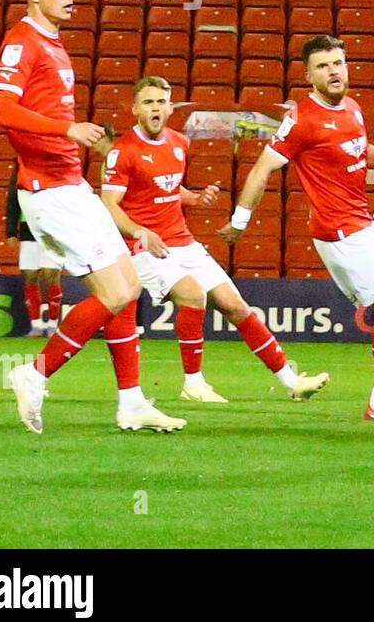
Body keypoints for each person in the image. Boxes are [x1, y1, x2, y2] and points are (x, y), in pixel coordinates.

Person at [0, 0, 185, 435]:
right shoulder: (23, 40)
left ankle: (132, 403)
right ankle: (34, 374)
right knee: (119, 291)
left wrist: (72, 138)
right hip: (50, 190)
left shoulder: (54, 44)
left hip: (70, 184)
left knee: (129, 287)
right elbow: (3, 110)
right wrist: (66, 127)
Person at [219, 35, 374, 422]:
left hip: (363, 224)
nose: (333, 71)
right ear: (308, 75)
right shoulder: (302, 119)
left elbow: (360, 152)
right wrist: (239, 222)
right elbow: (262, 168)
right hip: (339, 231)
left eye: (338, 63)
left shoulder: (352, 107)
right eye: (323, 66)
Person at [102, 76, 330, 404]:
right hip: (143, 245)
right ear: (136, 108)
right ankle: (193, 383)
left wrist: (193, 198)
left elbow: (163, 188)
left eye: (161, 101)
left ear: (170, 107)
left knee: (236, 306)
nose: (155, 108)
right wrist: (140, 232)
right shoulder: (122, 151)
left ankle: (292, 380)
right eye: (149, 102)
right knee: (193, 295)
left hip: (182, 241)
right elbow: (110, 204)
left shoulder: (179, 143)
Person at [5, 167, 64, 337]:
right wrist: (10, 231)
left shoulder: (53, 168)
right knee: (30, 276)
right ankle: (36, 325)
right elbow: (12, 200)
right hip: (27, 231)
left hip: (51, 231)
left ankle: (53, 324)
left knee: (51, 273)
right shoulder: (20, 171)